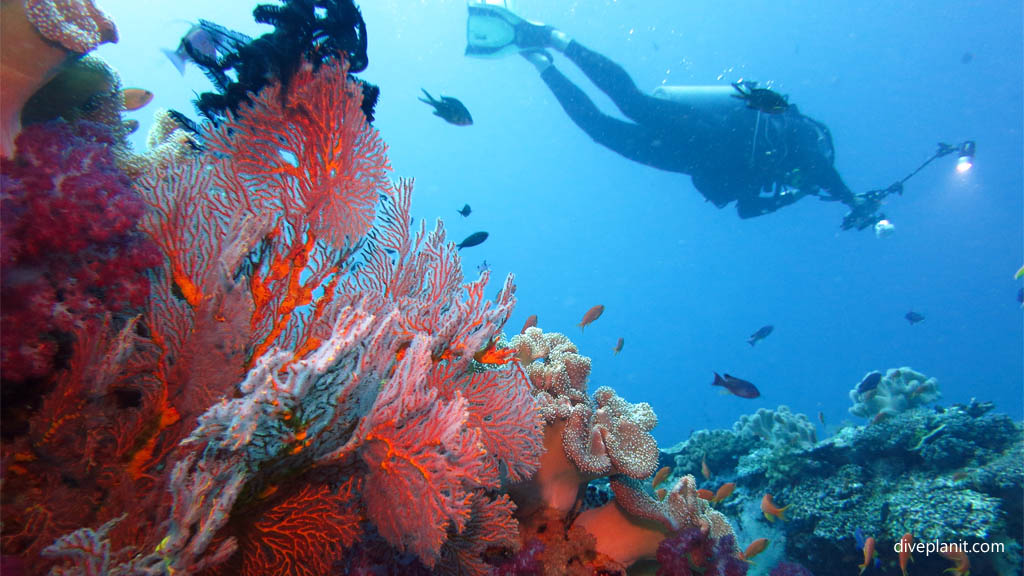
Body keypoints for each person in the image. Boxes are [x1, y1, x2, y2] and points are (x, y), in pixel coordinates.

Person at [466, 2, 882, 228]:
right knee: (632, 102)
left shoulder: (785, 178)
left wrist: (794, 196)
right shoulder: (805, 138)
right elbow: (821, 169)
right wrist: (851, 198)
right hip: (706, 132)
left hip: (687, 161)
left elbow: (746, 210)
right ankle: (555, 37)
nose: (801, 178)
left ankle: (541, 64)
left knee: (600, 131)